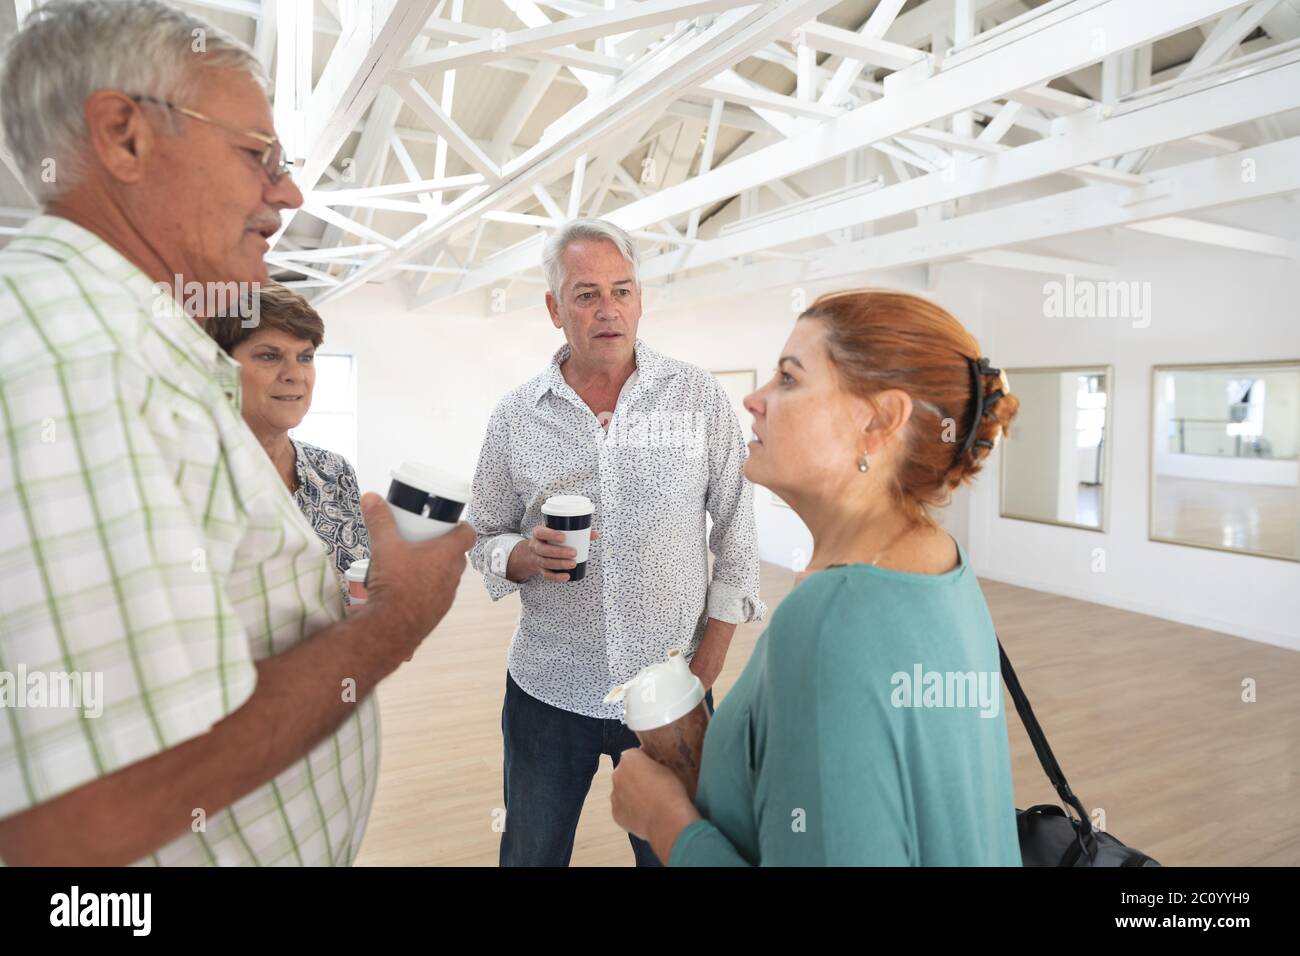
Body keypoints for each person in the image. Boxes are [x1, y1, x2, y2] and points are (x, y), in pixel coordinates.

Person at [0, 0, 472, 866]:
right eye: (257, 156)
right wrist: (400, 615)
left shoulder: (123, 352)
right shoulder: (77, 363)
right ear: (124, 136)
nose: (289, 193)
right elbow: (84, 825)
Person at [609, 289, 1024, 866]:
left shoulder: (831, 618)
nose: (754, 400)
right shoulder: (940, 562)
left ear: (878, 421)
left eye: (788, 378)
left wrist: (666, 823)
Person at [467, 218, 764, 866]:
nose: (609, 310)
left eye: (622, 290)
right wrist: (515, 556)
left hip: (672, 689)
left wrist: (703, 670)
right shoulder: (516, 416)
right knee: (531, 856)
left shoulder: (697, 398)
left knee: (675, 855)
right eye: (586, 294)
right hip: (548, 691)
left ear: (640, 298)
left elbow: (738, 533)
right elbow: (483, 530)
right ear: (554, 308)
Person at [206, 282, 369, 603]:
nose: (295, 374)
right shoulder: (191, 475)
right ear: (221, 369)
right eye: (269, 356)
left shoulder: (334, 471)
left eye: (305, 357)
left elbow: (359, 581)